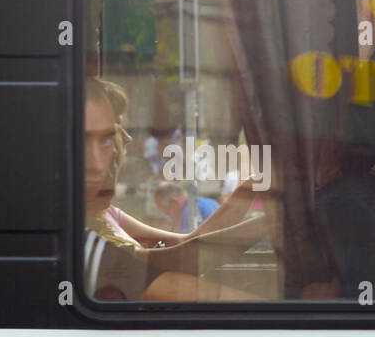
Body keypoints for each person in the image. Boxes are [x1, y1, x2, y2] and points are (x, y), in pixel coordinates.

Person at [84, 76, 261, 300]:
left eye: (108, 138)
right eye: (84, 140)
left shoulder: (107, 214)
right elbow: (185, 258)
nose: (127, 140)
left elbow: (185, 242)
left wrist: (247, 191)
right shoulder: (86, 238)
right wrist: (271, 223)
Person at [154, 181, 218, 233]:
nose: (170, 217)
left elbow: (186, 245)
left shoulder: (188, 213)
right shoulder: (211, 202)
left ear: (174, 202)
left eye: (168, 213)